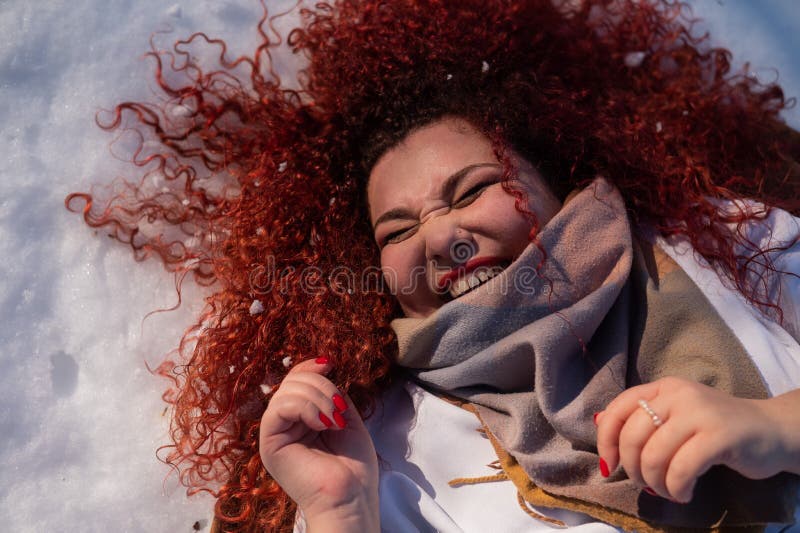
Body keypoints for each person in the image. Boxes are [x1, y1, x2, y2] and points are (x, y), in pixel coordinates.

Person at [67, 0, 800, 531]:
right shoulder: (377, 455)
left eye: (473, 190)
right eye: (398, 229)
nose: (442, 236)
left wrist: (774, 426)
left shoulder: (737, 250)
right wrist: (339, 515)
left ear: (554, 174)